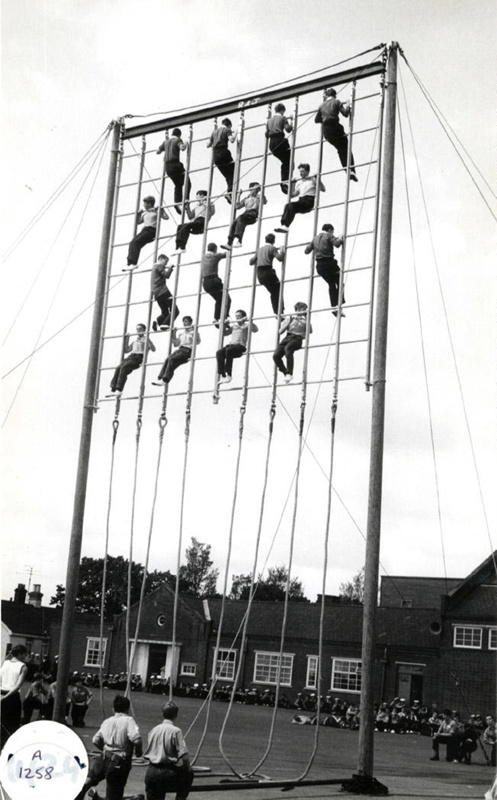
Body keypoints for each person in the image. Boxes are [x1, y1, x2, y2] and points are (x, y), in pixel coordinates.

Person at [74, 695, 142, 800]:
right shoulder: (129, 720)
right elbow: (137, 740)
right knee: (114, 794)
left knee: (89, 780)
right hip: (119, 761)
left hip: (103, 757)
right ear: (127, 709)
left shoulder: (107, 721)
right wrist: (138, 752)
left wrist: (104, 749)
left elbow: (95, 740)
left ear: (113, 709)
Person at [144, 701, 194, 800]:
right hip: (167, 772)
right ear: (176, 715)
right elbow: (184, 756)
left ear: (163, 714)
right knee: (188, 775)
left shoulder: (153, 730)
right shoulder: (176, 731)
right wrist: (187, 768)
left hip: (151, 771)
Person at [315, 87, 358, 181]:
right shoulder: (336, 102)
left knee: (340, 149)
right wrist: (348, 105)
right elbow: (346, 114)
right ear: (334, 95)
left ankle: (347, 170)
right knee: (346, 148)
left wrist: (324, 117)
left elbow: (316, 120)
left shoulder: (321, 105)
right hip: (335, 128)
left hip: (326, 132)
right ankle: (351, 170)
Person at [304, 223, 346, 316]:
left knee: (331, 284)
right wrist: (340, 238)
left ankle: (334, 306)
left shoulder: (315, 238)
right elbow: (337, 244)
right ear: (330, 230)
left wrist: (315, 246)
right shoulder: (329, 235)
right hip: (330, 264)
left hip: (320, 266)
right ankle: (339, 304)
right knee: (340, 282)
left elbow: (306, 251)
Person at [107, 324, 156, 399]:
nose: (138, 331)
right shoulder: (135, 341)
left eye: (140, 329)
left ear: (144, 330)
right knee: (118, 368)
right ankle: (113, 389)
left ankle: (119, 389)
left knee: (124, 368)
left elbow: (153, 349)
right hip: (131, 356)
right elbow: (126, 350)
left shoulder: (145, 340)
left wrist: (147, 340)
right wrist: (127, 339)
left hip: (139, 357)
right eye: (137, 329)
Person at [275, 164, 325, 232]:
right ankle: (284, 225)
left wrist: (317, 179)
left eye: (303, 171)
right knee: (287, 205)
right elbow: (292, 195)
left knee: (291, 205)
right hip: (301, 200)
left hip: (308, 201)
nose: (301, 173)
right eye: (300, 171)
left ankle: (286, 225)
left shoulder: (312, 180)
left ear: (307, 171)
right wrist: (292, 184)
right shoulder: (299, 182)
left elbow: (323, 189)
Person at [152, 316, 200, 386]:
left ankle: (165, 379)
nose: (184, 323)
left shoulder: (193, 332)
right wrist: (174, 334)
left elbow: (198, 342)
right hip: (180, 350)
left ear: (190, 322)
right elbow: (175, 344)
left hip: (187, 351)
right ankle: (160, 378)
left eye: (186, 321)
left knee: (172, 359)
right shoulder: (181, 334)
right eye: (183, 321)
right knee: (168, 359)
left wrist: (195, 332)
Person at [125, 196, 169, 270]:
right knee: (132, 243)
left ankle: (134, 263)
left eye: (145, 203)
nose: (144, 205)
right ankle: (130, 263)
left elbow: (166, 217)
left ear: (149, 204)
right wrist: (138, 214)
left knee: (135, 242)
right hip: (144, 230)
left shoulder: (156, 211)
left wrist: (161, 210)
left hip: (151, 230)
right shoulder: (145, 213)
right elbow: (138, 222)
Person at [273, 302, 312, 383]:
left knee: (288, 349)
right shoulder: (289, 318)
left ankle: (289, 372)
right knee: (276, 355)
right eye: (303, 309)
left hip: (297, 339)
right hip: (287, 337)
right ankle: (286, 373)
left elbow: (310, 331)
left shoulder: (305, 320)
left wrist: (306, 318)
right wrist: (288, 322)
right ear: (297, 310)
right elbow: (280, 331)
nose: (305, 311)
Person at [216, 309, 258, 384]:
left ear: (243, 317)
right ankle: (223, 375)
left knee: (229, 351)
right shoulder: (234, 327)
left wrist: (249, 321)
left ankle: (229, 374)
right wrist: (225, 325)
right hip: (231, 345)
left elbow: (255, 330)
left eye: (239, 316)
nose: (237, 318)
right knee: (219, 352)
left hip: (240, 346)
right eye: (236, 316)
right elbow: (224, 333)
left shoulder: (246, 326)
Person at [156, 128, 191, 214]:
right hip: (176, 164)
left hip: (167, 167)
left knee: (178, 184)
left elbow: (157, 151)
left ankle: (177, 203)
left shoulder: (166, 142)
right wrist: (186, 143)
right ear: (179, 135)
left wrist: (165, 151)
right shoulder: (177, 140)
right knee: (187, 182)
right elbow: (182, 148)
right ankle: (186, 201)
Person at [222, 183, 266, 250]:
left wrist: (262, 193)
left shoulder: (259, 197)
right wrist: (239, 195)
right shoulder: (246, 199)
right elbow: (237, 206)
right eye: (255, 188)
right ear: (250, 188)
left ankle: (239, 240)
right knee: (235, 222)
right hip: (246, 214)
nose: (257, 190)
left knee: (240, 218)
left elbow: (265, 202)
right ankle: (229, 243)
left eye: (258, 189)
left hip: (253, 213)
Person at [249, 233, 285, 315]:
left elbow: (251, 262)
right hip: (268, 271)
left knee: (273, 292)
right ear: (273, 240)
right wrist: (282, 251)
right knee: (278, 289)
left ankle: (277, 311)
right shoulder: (271, 248)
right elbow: (280, 258)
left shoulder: (259, 250)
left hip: (260, 274)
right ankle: (280, 310)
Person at [0, 644, 28, 748]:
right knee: (11, 726)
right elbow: (17, 685)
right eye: (25, 654)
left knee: (3, 724)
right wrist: (6, 697)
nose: (25, 656)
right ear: (20, 654)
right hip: (12, 697)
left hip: (2, 694)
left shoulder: (5, 662)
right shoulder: (23, 666)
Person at [266, 103, 293, 193]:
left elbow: (266, 134)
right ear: (282, 110)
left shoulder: (269, 120)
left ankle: (284, 182)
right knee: (289, 160)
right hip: (280, 140)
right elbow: (288, 129)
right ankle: (284, 182)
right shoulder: (283, 118)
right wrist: (291, 121)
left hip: (272, 144)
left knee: (285, 162)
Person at [207, 118, 236, 201]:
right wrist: (235, 133)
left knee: (228, 175)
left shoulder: (214, 132)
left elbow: (208, 145)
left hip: (216, 156)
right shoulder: (227, 130)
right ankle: (230, 192)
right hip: (224, 152)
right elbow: (232, 140)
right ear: (229, 125)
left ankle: (229, 193)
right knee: (234, 170)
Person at [201, 243, 231, 324]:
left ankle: (216, 318)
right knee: (226, 298)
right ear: (215, 249)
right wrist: (228, 247)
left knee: (219, 300)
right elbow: (227, 254)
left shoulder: (203, 257)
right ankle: (225, 317)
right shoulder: (215, 255)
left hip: (205, 283)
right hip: (214, 281)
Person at [151, 255, 179, 332]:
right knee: (175, 310)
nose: (166, 264)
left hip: (156, 293)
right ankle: (164, 325)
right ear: (160, 259)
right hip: (163, 291)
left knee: (165, 312)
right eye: (165, 261)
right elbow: (167, 275)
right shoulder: (159, 266)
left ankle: (158, 322)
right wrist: (170, 267)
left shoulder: (154, 267)